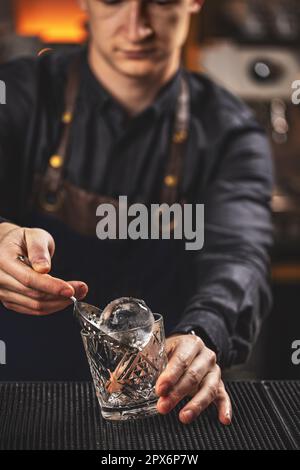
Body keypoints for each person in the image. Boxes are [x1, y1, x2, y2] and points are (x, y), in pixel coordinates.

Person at [0, 0, 274, 425]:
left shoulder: (229, 130)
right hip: (19, 400)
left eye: (160, 1)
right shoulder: (20, 91)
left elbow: (240, 256)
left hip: (161, 404)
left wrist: (202, 334)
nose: (137, 27)